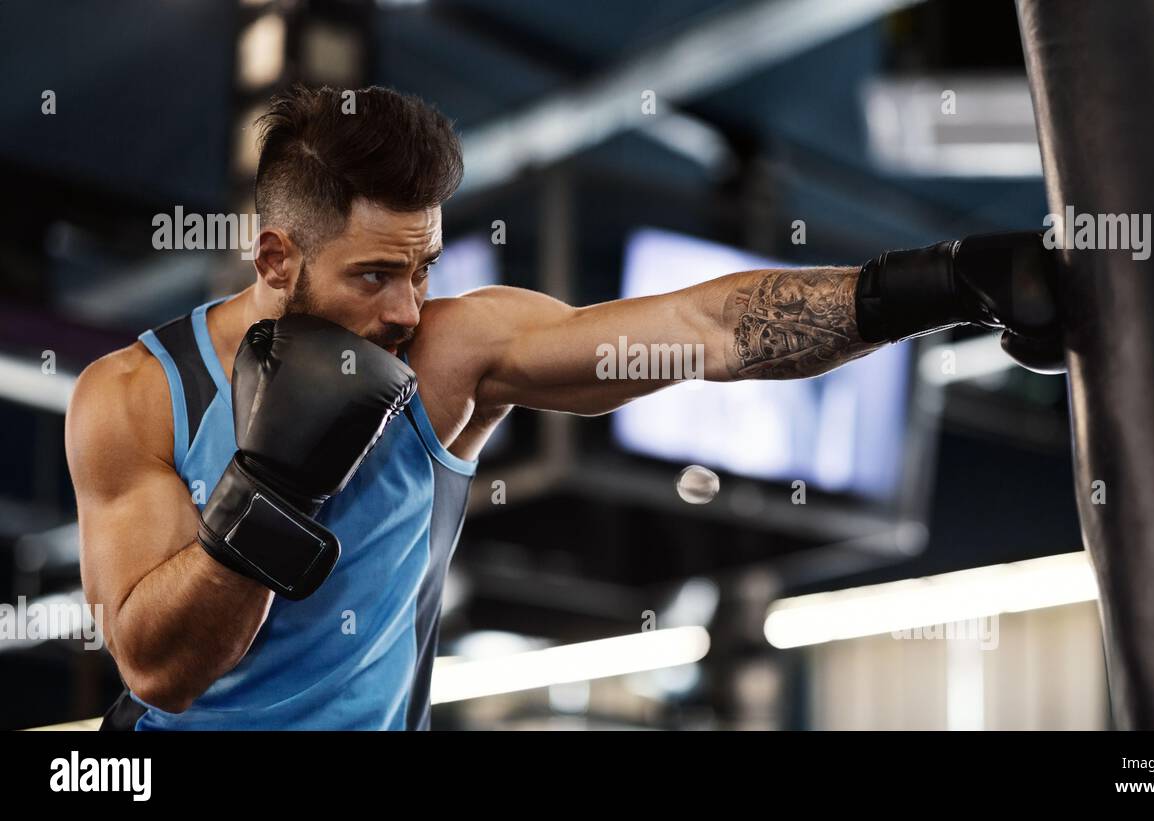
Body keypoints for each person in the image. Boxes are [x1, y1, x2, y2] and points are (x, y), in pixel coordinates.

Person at [66, 85, 1060, 730]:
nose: (406, 307)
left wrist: (936, 285)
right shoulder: (135, 394)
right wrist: (275, 486)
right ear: (276, 257)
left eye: (422, 268)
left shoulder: (451, 352)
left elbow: (705, 328)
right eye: (374, 274)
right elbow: (161, 669)